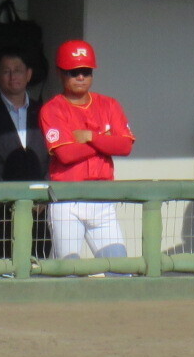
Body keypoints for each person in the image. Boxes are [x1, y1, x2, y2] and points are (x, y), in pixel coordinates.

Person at [40, 39, 135, 262]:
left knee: (119, 269)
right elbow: (66, 154)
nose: (80, 76)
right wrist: (105, 143)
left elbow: (125, 146)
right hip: (67, 200)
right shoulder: (52, 109)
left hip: (102, 198)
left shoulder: (109, 104)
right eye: (73, 72)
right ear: (60, 73)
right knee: (69, 271)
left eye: (85, 71)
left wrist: (92, 137)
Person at [0, 49, 47, 260]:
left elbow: (54, 157)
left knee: (37, 267)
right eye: (6, 71)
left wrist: (42, 197)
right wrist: (8, 198)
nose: (13, 77)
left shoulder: (45, 112)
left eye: (18, 70)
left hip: (38, 210)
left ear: (28, 74)